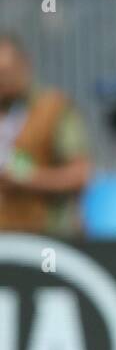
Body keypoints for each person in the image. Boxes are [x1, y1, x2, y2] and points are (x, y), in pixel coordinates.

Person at [0, 33, 91, 234]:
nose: (2, 81)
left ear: (25, 65)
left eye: (6, 72)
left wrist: (26, 178)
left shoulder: (53, 110)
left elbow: (80, 175)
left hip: (47, 237)